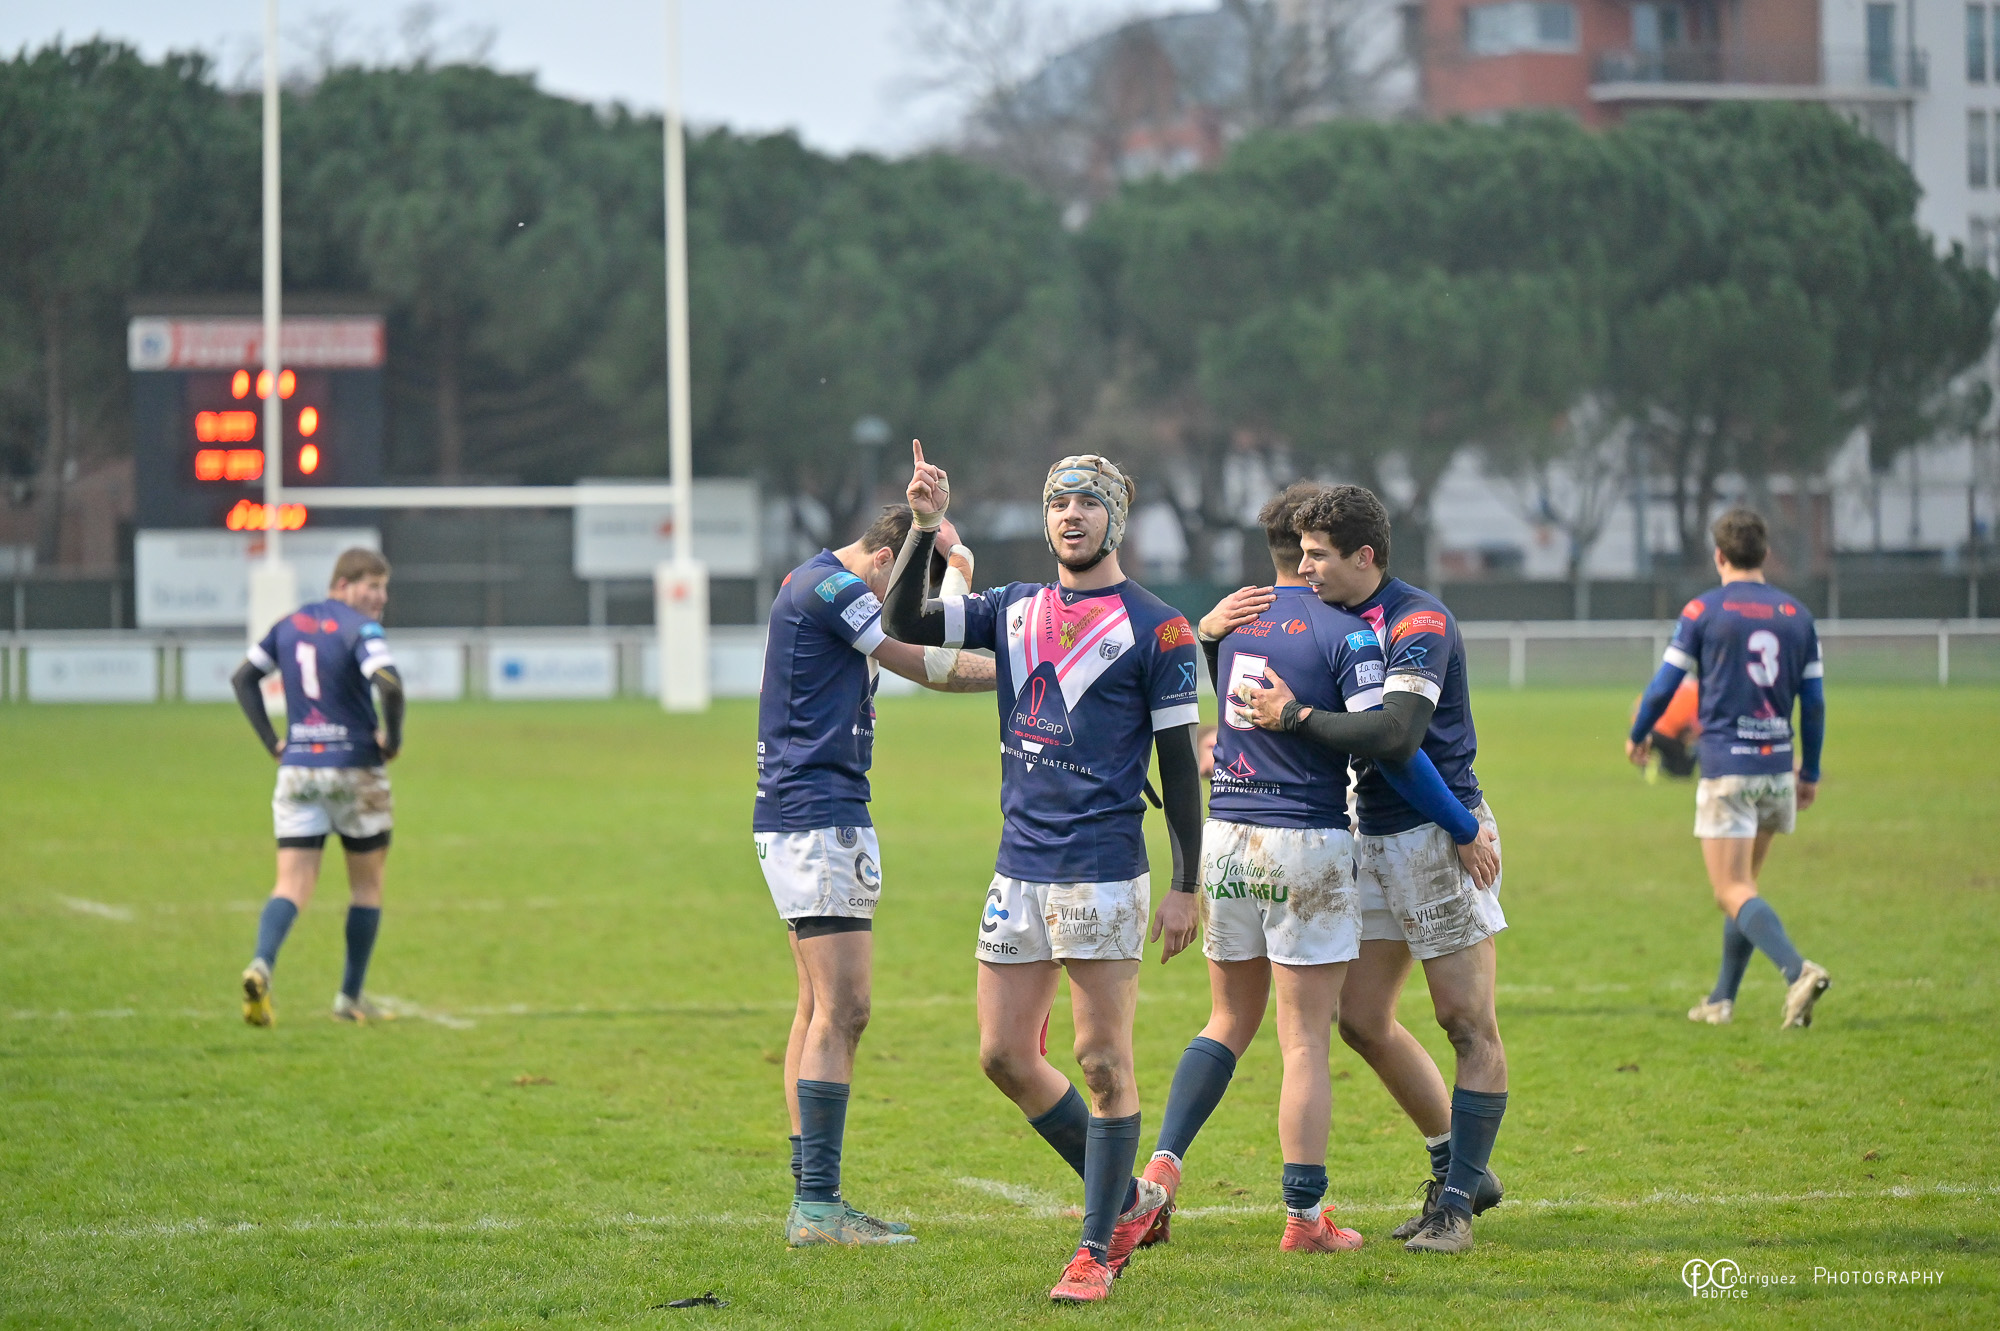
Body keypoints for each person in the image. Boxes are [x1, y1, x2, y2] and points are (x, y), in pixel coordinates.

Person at [1135, 483, 1498, 1257]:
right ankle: (1449, 1165)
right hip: (1352, 837)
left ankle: (1458, 1199)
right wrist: (1211, 641)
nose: (1305, 568)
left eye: (1319, 556)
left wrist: (1465, 825)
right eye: (1298, 553)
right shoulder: (1329, 624)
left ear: (1364, 557)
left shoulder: (1416, 620)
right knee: (1358, 1019)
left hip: (1438, 833)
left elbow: (1397, 738)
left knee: (1466, 1021)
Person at [884, 443, 1203, 1304]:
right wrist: (922, 526)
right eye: (1059, 502)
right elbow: (908, 622)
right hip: (1017, 869)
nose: (1071, 515)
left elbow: (1178, 767)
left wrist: (1186, 881)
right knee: (1001, 1053)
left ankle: (1096, 1251)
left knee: (1101, 1060)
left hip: (1102, 871)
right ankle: (1133, 1195)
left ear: (1115, 519)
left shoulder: (1161, 628)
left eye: (1088, 504)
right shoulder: (1015, 607)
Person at [757, 505, 995, 1248]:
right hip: (817, 816)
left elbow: (927, 621)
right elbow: (922, 657)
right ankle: (820, 1207)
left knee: (816, 1005)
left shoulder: (826, 579)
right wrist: (1032, 670)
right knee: (845, 1008)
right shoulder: (833, 590)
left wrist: (956, 566)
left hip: (809, 814)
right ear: (887, 558)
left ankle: (811, 1199)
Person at [1627, 509, 1828, 1029]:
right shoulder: (1797, 614)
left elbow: (1665, 685)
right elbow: (1816, 702)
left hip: (1728, 769)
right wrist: (1812, 772)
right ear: (1763, 555)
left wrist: (1638, 733)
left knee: (1730, 889)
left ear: (1719, 556)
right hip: (1779, 768)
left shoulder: (1703, 611)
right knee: (1745, 886)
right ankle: (1722, 999)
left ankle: (1797, 972)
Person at [231, 547, 406, 1027]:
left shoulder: (289, 625)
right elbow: (389, 683)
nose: (380, 597)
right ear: (343, 584)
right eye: (372, 586)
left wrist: (272, 742)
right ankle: (348, 998)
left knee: (291, 882)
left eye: (384, 587)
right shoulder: (360, 630)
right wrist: (393, 740)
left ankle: (261, 964)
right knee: (367, 886)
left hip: (299, 768)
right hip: (356, 768)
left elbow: (244, 678)